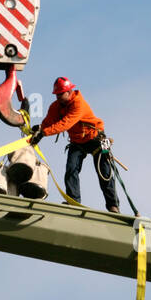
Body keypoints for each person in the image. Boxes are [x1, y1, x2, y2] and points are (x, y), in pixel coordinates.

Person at [30, 77, 121, 213]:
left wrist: (43, 133)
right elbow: (49, 121)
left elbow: (65, 123)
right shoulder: (56, 106)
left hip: (97, 138)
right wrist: (40, 128)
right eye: (57, 94)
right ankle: (73, 201)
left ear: (69, 91)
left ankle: (113, 206)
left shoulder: (79, 104)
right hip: (77, 141)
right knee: (71, 169)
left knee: (105, 172)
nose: (59, 97)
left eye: (61, 94)